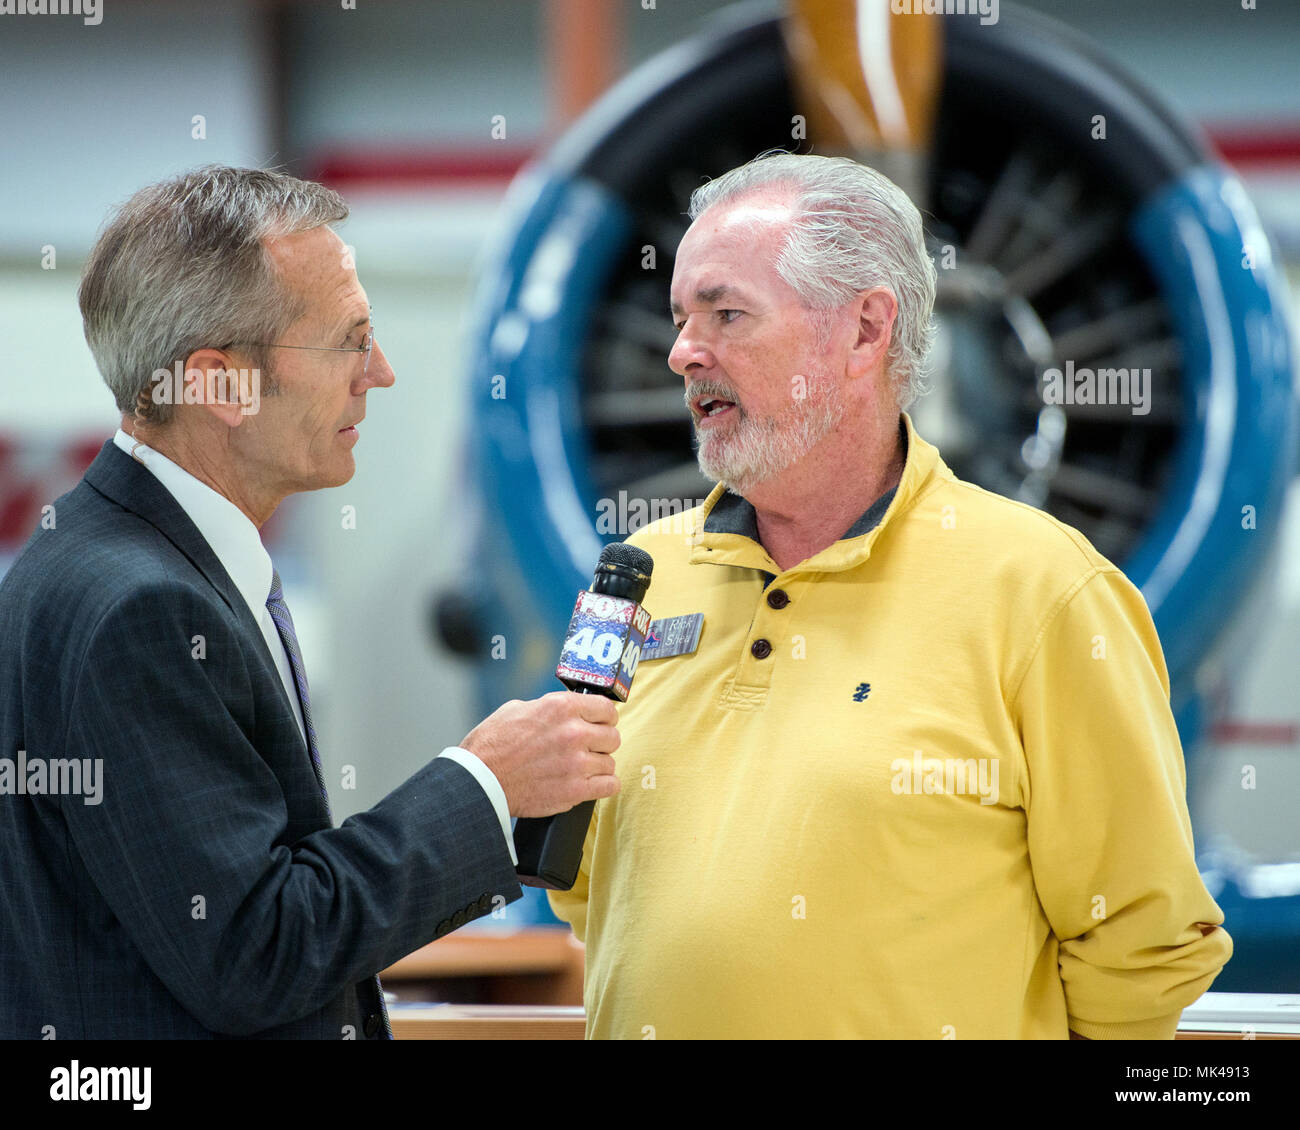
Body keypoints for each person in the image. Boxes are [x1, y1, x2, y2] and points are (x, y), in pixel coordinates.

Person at [548, 152, 1231, 1039]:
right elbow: (587, 884)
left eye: (725, 313)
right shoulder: (634, 579)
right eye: (680, 317)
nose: (682, 353)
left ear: (866, 330)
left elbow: (1143, 945)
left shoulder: (1046, 591)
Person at [0, 165, 622, 1040]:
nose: (383, 372)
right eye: (349, 341)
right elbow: (256, 951)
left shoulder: (133, 563)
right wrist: (486, 784)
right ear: (219, 384)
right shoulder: (139, 608)